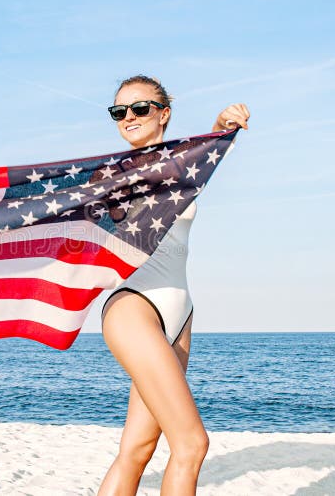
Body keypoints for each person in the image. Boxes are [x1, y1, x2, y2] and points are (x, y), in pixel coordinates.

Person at [97, 75, 249, 496]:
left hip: (179, 313)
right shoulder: (112, 174)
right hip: (134, 306)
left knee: (138, 449)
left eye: (140, 108)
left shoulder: (182, 168)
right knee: (192, 444)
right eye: (118, 112)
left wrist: (223, 126)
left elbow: (204, 157)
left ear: (163, 114)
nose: (128, 117)